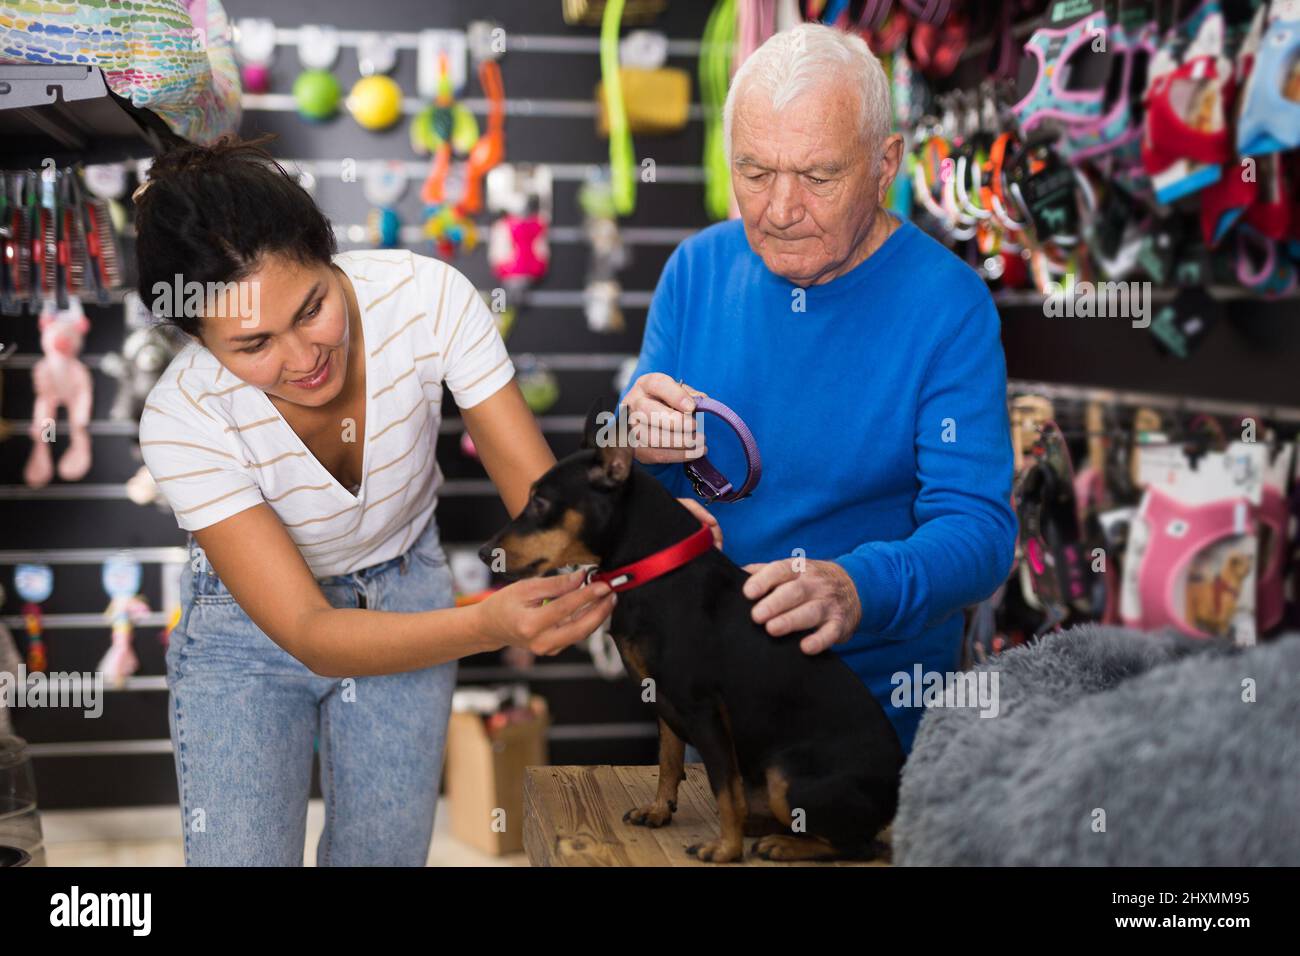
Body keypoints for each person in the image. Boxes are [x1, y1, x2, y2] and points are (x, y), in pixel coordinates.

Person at [132, 137, 640, 865]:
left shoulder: (427, 299)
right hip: (245, 634)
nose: (304, 359)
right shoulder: (181, 416)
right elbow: (310, 630)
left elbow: (545, 507)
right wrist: (485, 625)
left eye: (312, 308)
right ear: (196, 337)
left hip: (406, 588)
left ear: (328, 255)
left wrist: (643, 543)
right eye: (254, 345)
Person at [621, 23, 1017, 756]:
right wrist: (634, 443)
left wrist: (856, 589)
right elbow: (639, 477)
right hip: (711, 718)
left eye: (818, 177)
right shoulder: (695, 270)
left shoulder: (949, 306)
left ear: (885, 165)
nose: (779, 209)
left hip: (869, 728)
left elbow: (980, 532)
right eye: (755, 173)